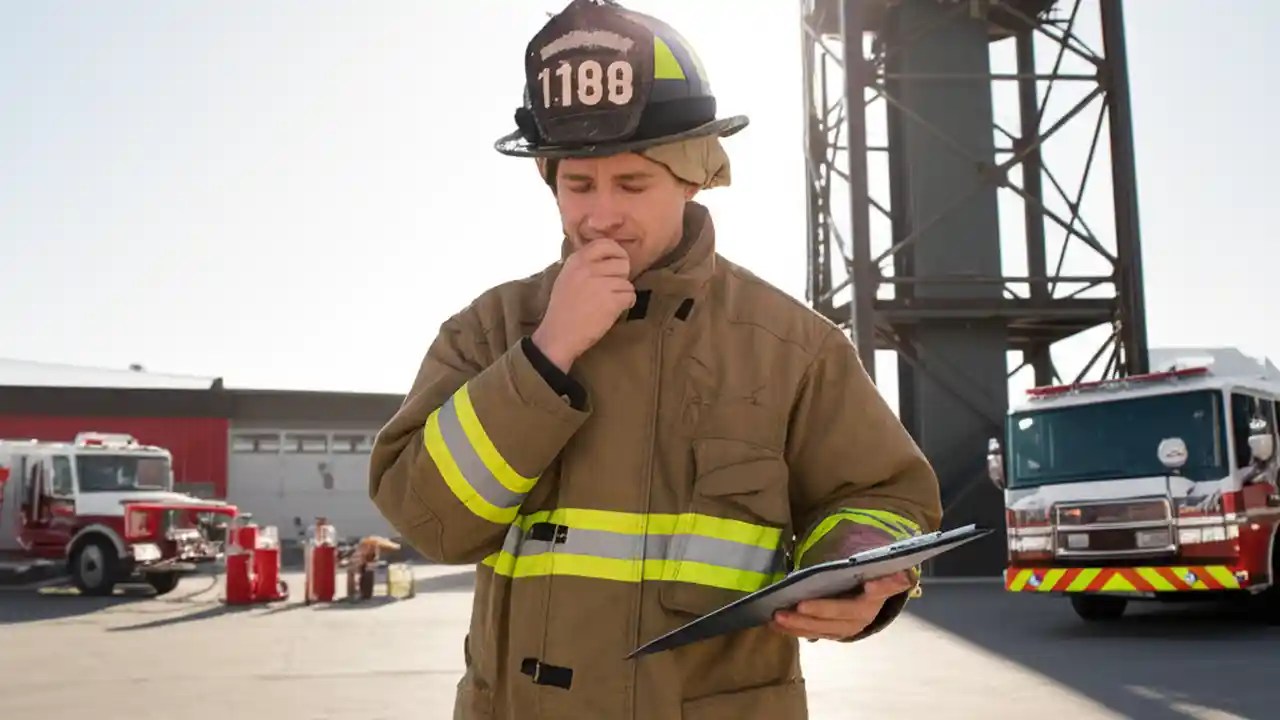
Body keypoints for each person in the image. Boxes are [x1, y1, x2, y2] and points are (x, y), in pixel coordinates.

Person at [368, 1, 943, 718]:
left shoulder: (794, 347)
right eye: (577, 184)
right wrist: (547, 356)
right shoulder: (489, 330)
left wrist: (852, 577)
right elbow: (430, 524)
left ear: (695, 175)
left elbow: (884, 496)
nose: (600, 214)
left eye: (631, 184)